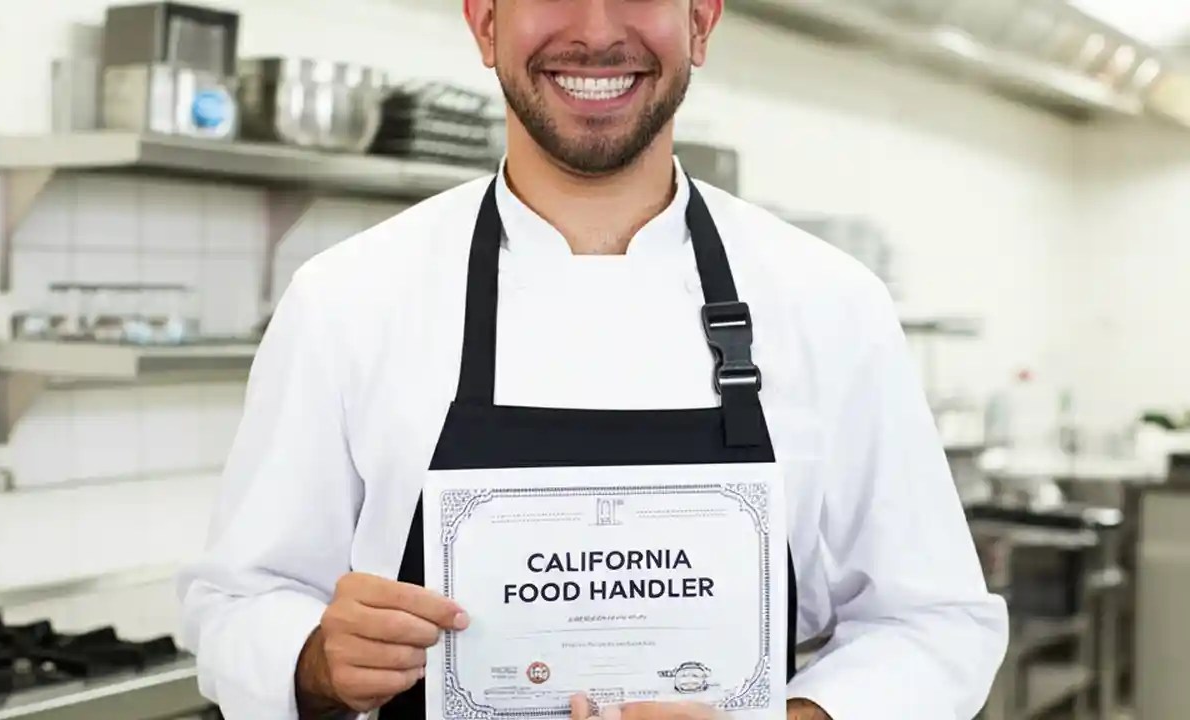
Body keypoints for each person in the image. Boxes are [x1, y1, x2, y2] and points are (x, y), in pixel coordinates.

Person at [176, 0, 1009, 718]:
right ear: (485, 21)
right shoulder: (348, 300)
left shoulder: (831, 305)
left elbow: (936, 625)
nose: (597, 32)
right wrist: (315, 660)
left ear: (702, 19)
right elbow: (237, 605)